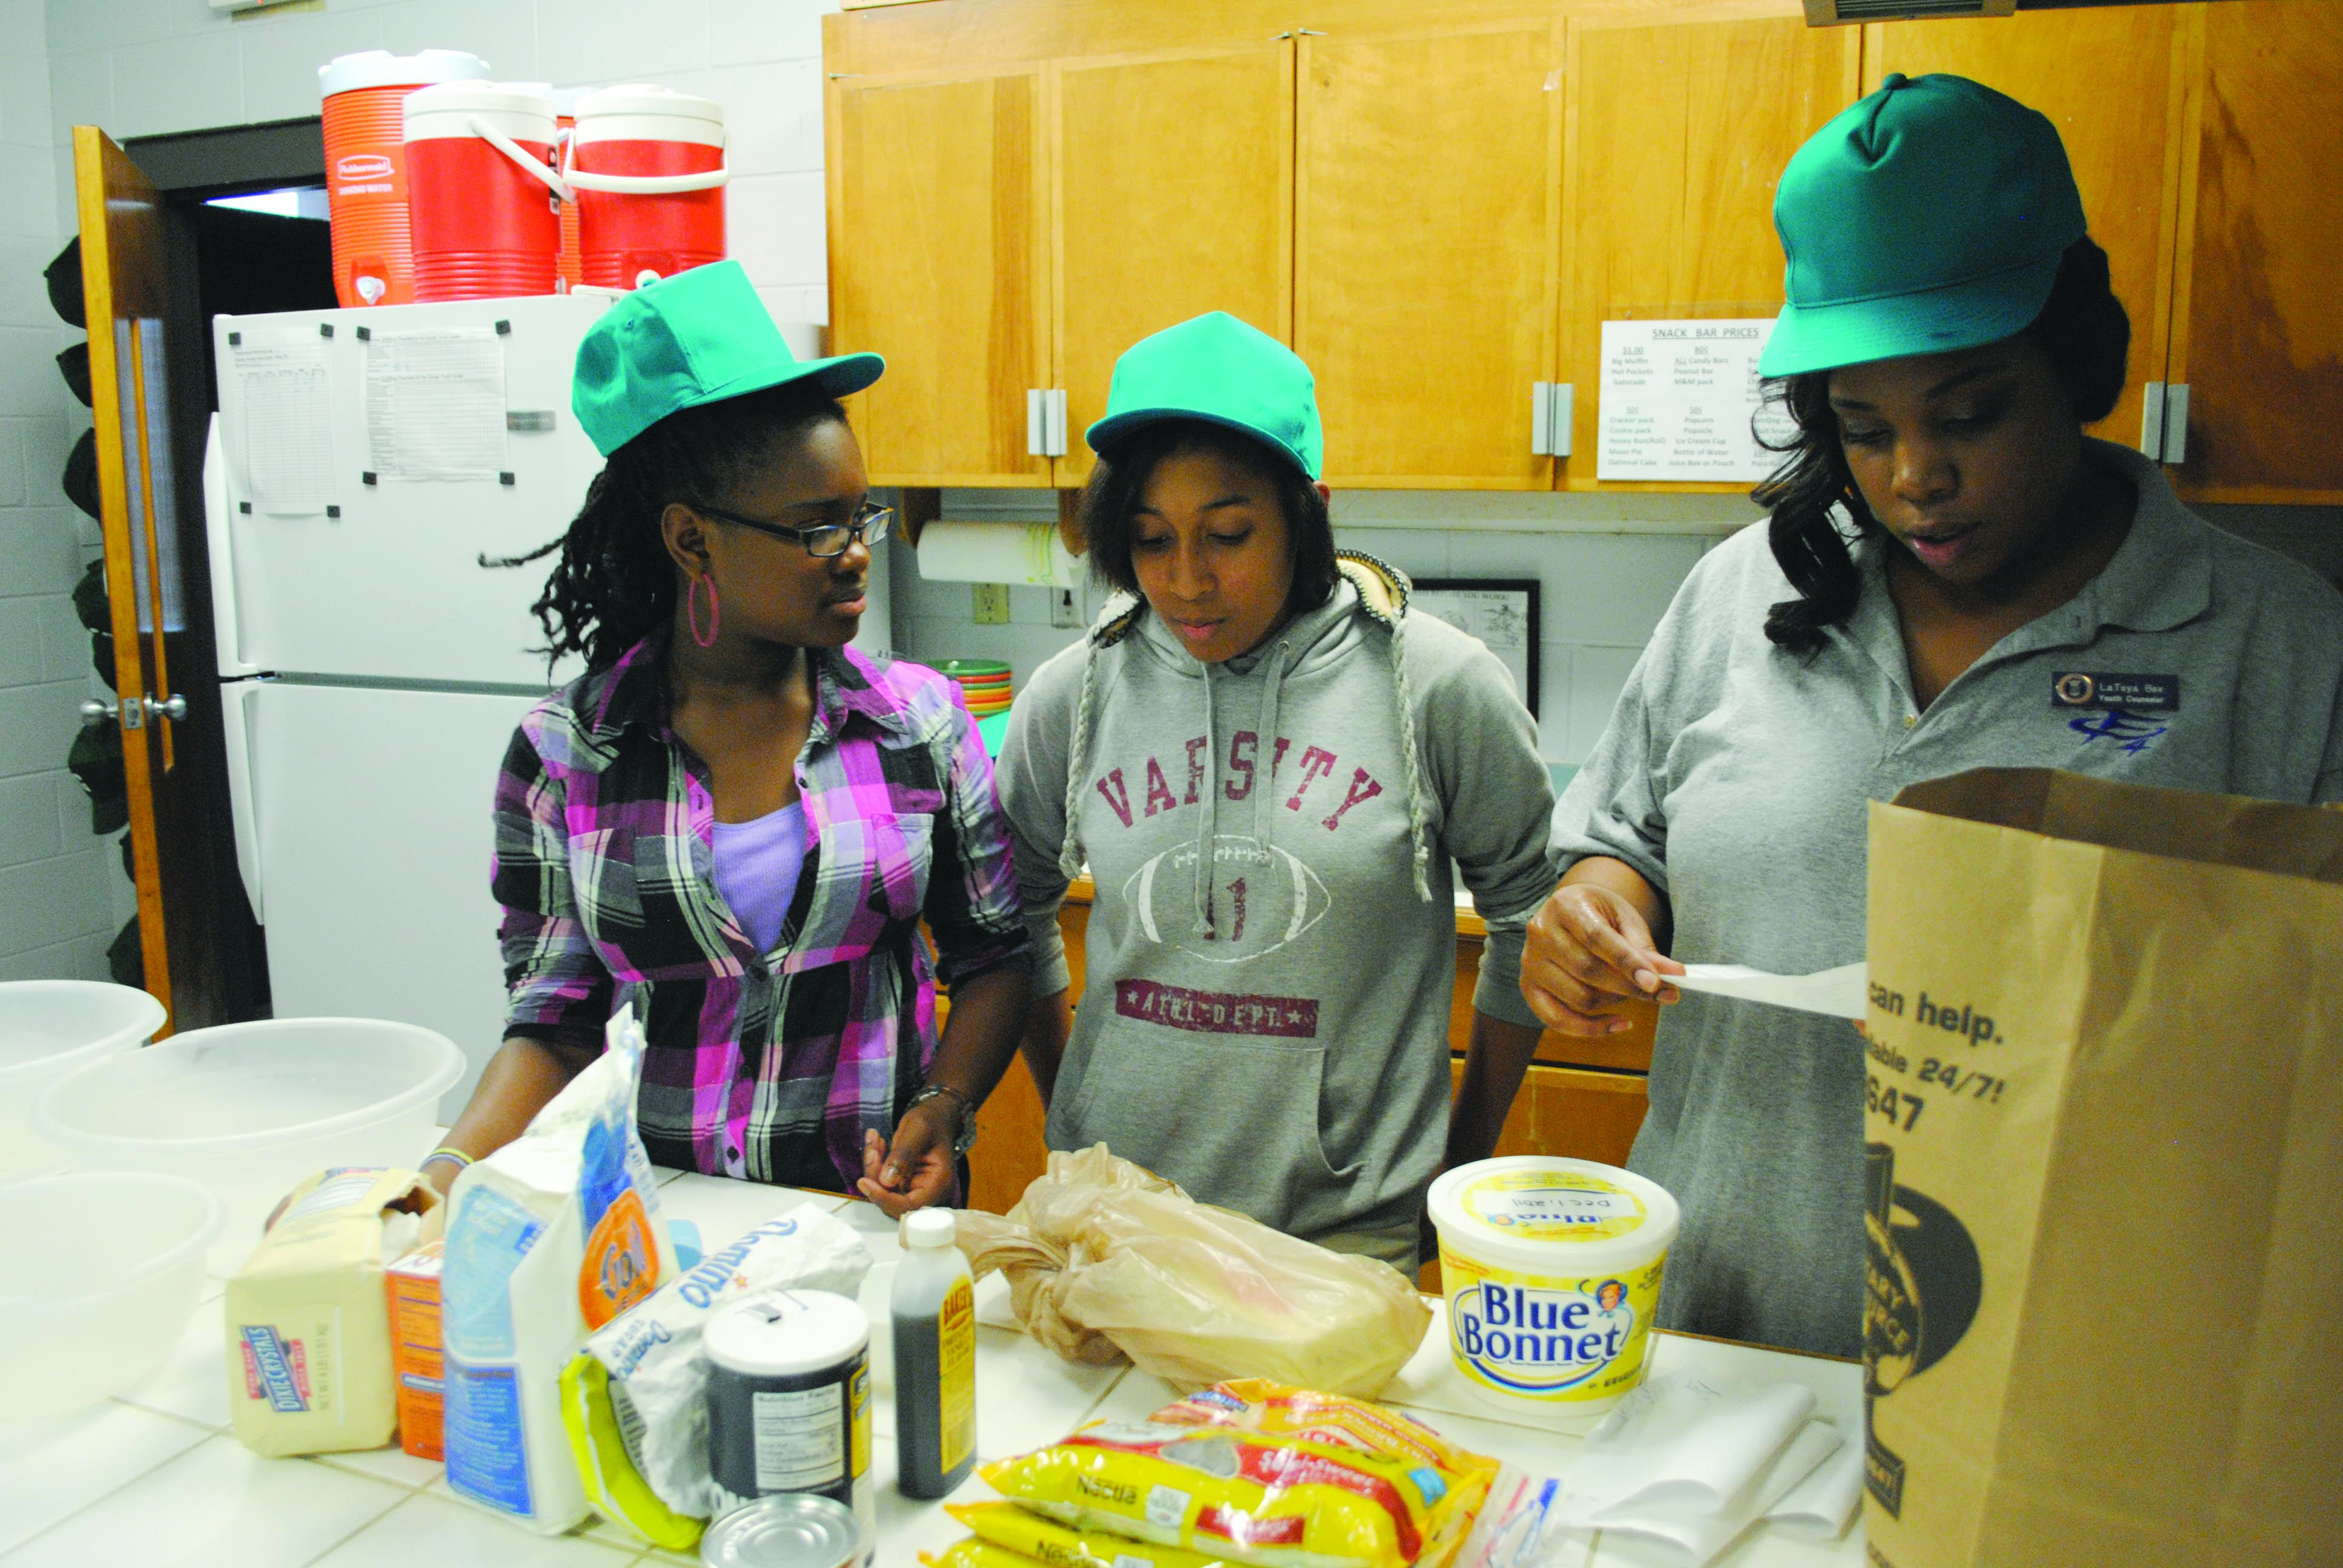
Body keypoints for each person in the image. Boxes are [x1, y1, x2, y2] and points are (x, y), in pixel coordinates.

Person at [1522, 75, 2343, 1357]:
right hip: (1720, 1335)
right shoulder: (1742, 595)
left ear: (2075, 363)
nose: (1917, 478)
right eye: (1862, 429)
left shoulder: (2274, 649)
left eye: (1970, 414)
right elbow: (1620, 841)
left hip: (2077, 1378)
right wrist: (1594, 905)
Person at [428, 261, 1032, 1217]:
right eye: (816, 528)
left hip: (866, 1223)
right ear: (690, 540)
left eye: (859, 515)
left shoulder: (916, 723)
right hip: (656, 1231)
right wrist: (440, 1179)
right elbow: (553, 1024)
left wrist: (942, 1108)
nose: (857, 551)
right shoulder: (565, 757)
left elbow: (993, 957)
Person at [996, 312, 1559, 1272]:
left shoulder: (1437, 684)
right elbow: (1016, 917)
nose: (1186, 582)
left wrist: (1459, 1166)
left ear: (1307, 507)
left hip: (1341, 1241)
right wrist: (1073, 1116)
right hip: (1110, 1227)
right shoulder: (1074, 692)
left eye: (1228, 534)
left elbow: (1528, 921)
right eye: (1149, 539)